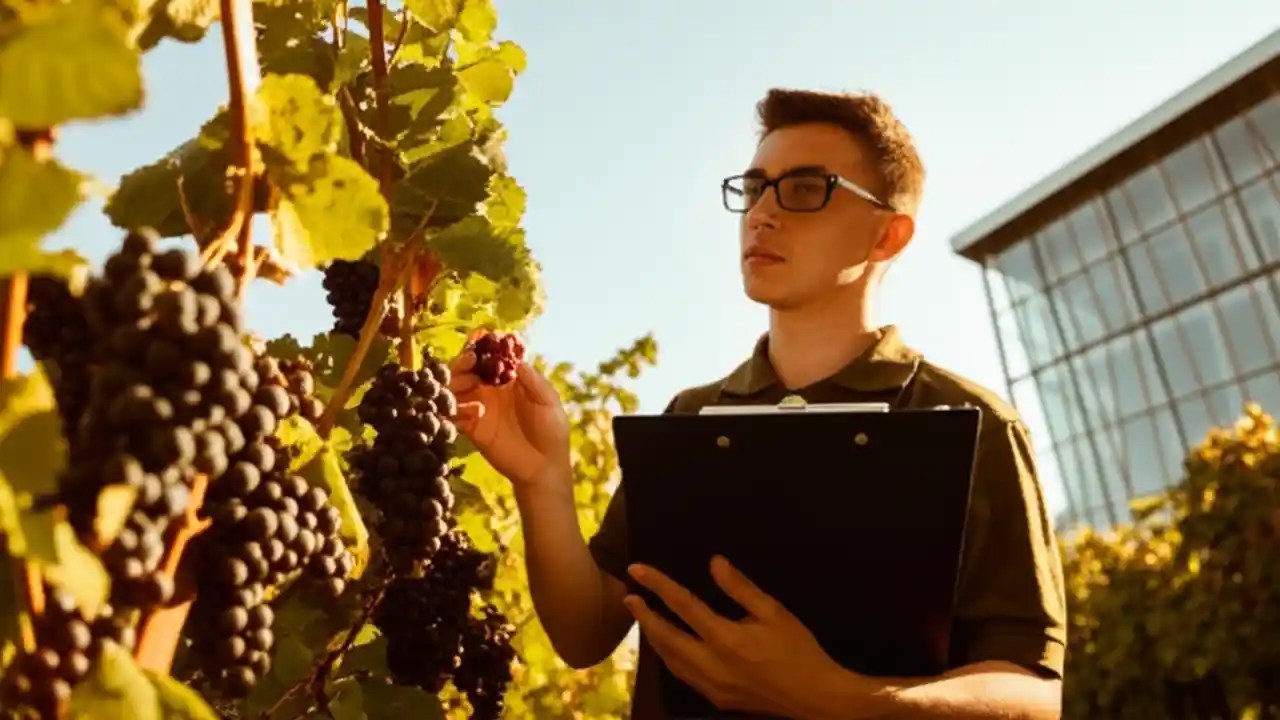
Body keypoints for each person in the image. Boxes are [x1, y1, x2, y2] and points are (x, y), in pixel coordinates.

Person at [449, 87, 1067, 720]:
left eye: (804, 189)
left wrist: (833, 698)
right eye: (754, 188)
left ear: (888, 234)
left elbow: (1035, 693)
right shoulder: (687, 418)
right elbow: (584, 636)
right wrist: (542, 479)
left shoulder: (971, 422)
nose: (761, 214)